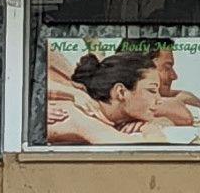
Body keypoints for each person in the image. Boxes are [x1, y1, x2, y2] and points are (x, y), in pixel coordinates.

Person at [46, 47, 184, 145]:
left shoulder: (103, 115)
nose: (159, 99)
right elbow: (154, 145)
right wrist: (151, 130)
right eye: (152, 90)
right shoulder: (79, 114)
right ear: (121, 92)